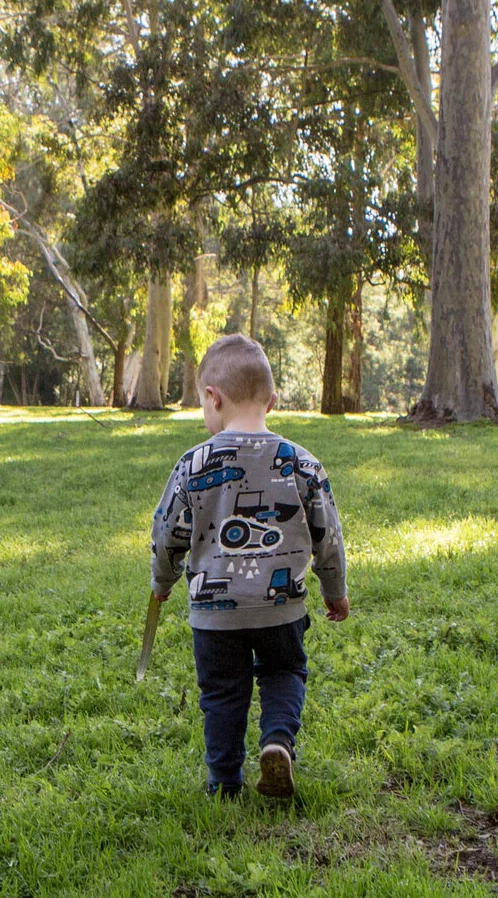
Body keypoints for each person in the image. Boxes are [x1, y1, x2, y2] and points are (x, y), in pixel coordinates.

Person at [149, 332, 349, 798]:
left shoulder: (192, 465)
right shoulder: (302, 463)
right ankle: (277, 741)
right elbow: (328, 535)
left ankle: (223, 783)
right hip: (281, 609)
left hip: (214, 614)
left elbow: (167, 533)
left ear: (213, 398)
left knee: (221, 693)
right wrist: (334, 589)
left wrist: (163, 580)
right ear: (272, 401)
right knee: (284, 672)